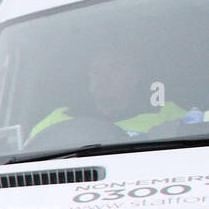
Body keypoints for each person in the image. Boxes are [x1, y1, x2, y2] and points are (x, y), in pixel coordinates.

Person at [30, 48, 184, 140]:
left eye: (114, 68)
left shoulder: (165, 114)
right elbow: (31, 149)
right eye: (96, 71)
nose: (103, 76)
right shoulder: (60, 118)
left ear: (134, 76)